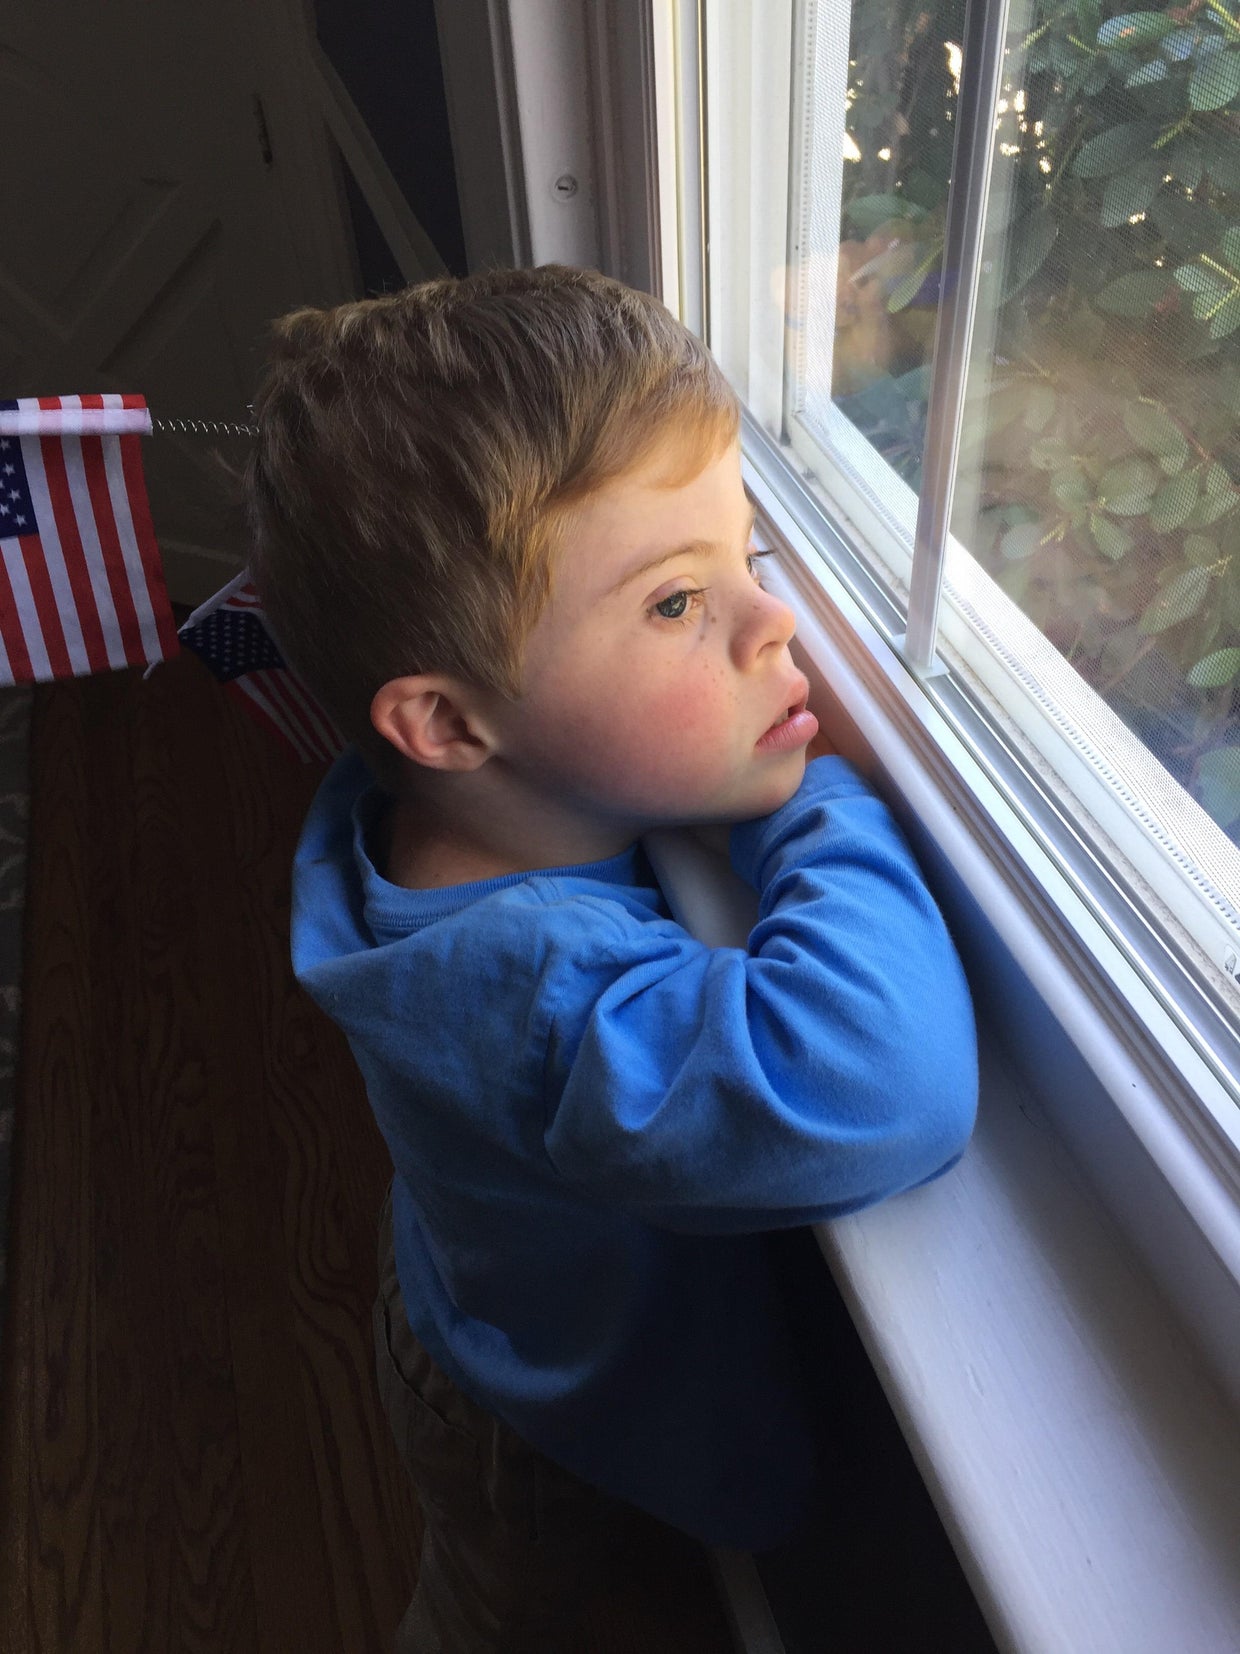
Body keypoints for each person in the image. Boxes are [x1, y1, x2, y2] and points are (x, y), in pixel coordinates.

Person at [245, 264, 978, 1652]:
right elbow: (886, 1083)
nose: (774, 624)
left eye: (751, 557)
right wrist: (816, 800)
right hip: (541, 1439)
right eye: (675, 603)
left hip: (471, 1289)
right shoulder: (529, 995)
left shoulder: (442, 813)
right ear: (447, 725)